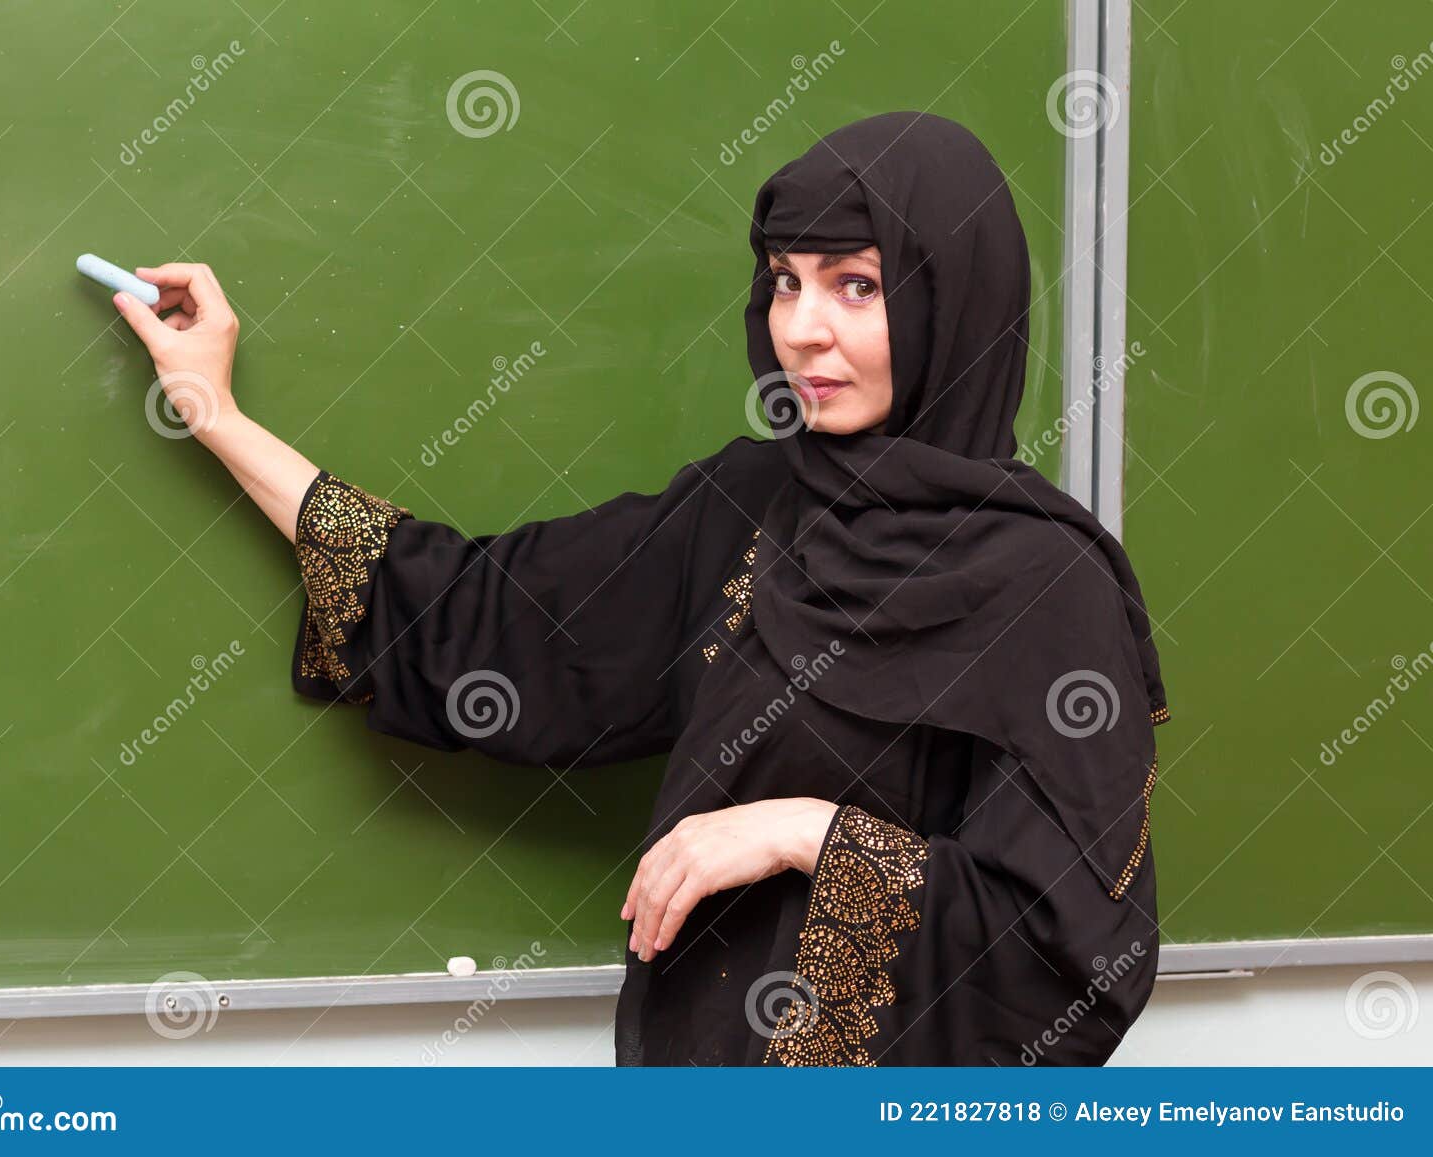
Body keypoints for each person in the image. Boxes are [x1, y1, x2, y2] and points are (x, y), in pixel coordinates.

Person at [113, 110, 1170, 1067]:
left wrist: (806, 831)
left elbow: (1070, 950)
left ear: (954, 296)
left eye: (856, 283)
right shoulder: (752, 507)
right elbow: (483, 611)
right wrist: (215, 414)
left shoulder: (1049, 586)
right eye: (785, 279)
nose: (802, 326)